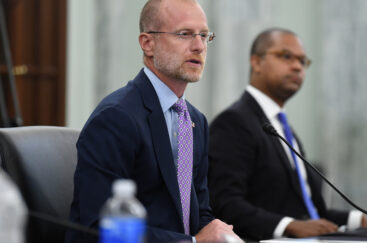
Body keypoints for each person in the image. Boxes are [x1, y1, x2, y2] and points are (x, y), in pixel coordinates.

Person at [66, 0, 241, 242]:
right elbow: (96, 229)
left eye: (204, 35)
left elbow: (198, 213)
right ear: (148, 43)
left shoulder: (195, 120)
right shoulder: (116, 118)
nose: (199, 46)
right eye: (185, 34)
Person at [208, 28, 367, 241]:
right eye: (286, 56)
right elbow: (225, 202)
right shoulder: (234, 122)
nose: (297, 66)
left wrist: (355, 219)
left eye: (303, 61)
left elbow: (311, 214)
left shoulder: (282, 127)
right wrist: (288, 226)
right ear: (256, 62)